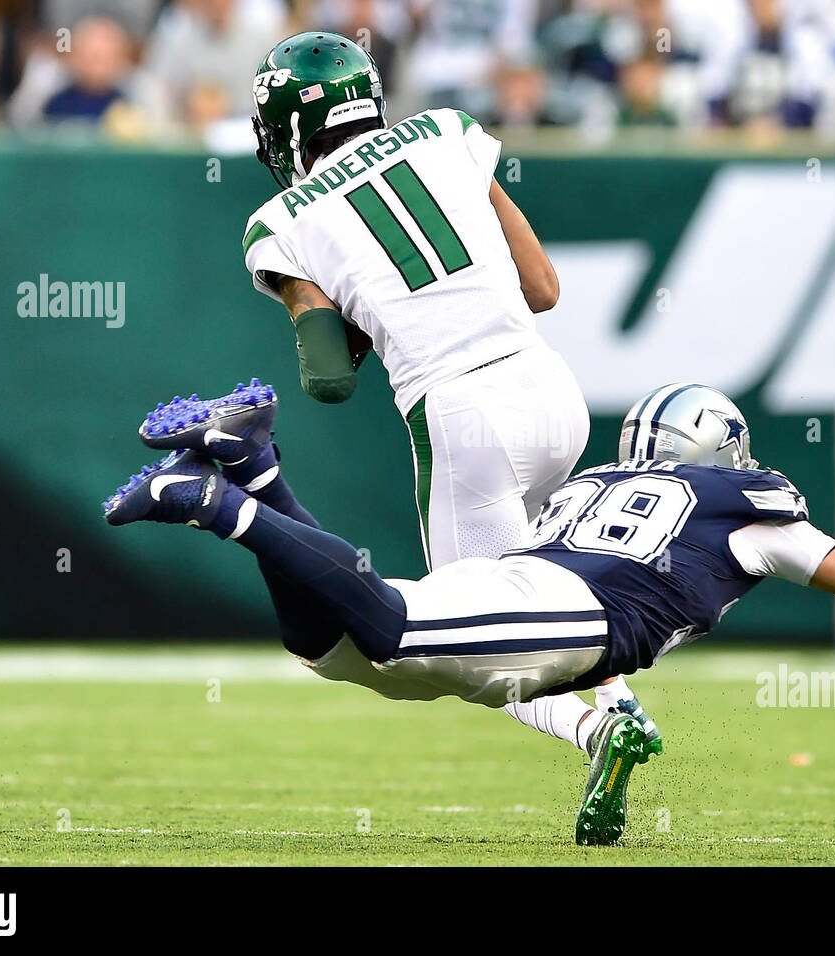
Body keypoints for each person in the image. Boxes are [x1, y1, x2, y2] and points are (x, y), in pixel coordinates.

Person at [105, 382, 835, 845]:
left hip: (547, 599)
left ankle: (258, 466)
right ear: (722, 446)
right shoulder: (755, 503)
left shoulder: (606, 477)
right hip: (571, 612)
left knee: (338, 648)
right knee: (388, 626)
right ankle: (213, 502)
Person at [236, 35, 662, 759]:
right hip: (551, 390)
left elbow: (329, 379)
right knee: (553, 583)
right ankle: (619, 698)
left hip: (464, 418)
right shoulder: (446, 131)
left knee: (468, 642)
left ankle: (597, 730)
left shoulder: (281, 221)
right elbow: (543, 288)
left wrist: (357, 322)